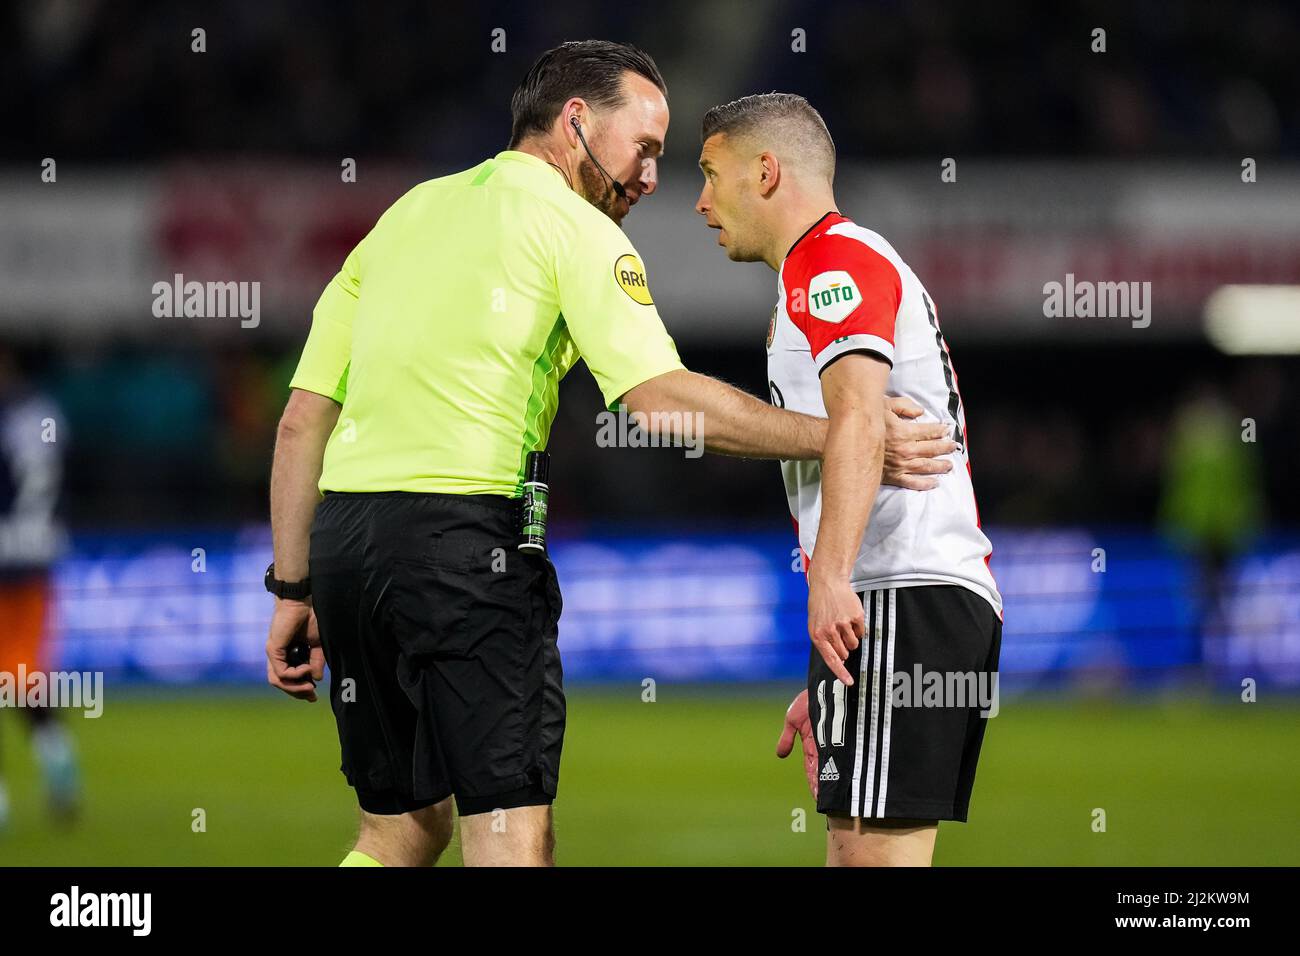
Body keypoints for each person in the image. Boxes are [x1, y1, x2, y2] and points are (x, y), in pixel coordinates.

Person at [266, 42, 953, 867]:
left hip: (345, 547)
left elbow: (303, 418)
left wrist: (294, 584)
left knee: (400, 830)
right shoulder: (574, 229)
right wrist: (844, 436)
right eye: (648, 149)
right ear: (576, 122)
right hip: (467, 546)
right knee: (509, 831)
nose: (652, 178)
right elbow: (659, 401)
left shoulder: (406, 213)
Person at [694, 93, 1002, 866]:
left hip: (899, 592)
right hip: (897, 605)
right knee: (855, 853)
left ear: (765, 172)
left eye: (709, 173)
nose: (700, 201)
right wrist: (835, 681)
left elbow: (860, 420)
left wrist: (832, 583)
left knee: (872, 859)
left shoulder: (832, 262)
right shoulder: (825, 267)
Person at [0, 347, 79, 830]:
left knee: (17, 676)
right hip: (36, 554)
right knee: (22, 676)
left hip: (10, 549)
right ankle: (57, 757)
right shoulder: (44, 413)